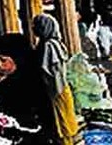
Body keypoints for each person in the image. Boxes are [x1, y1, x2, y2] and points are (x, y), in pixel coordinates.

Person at [32, 14, 78, 145]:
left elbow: (52, 73)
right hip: (57, 91)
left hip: (57, 91)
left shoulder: (50, 46)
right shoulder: (49, 44)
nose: (34, 28)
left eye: (36, 25)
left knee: (63, 124)